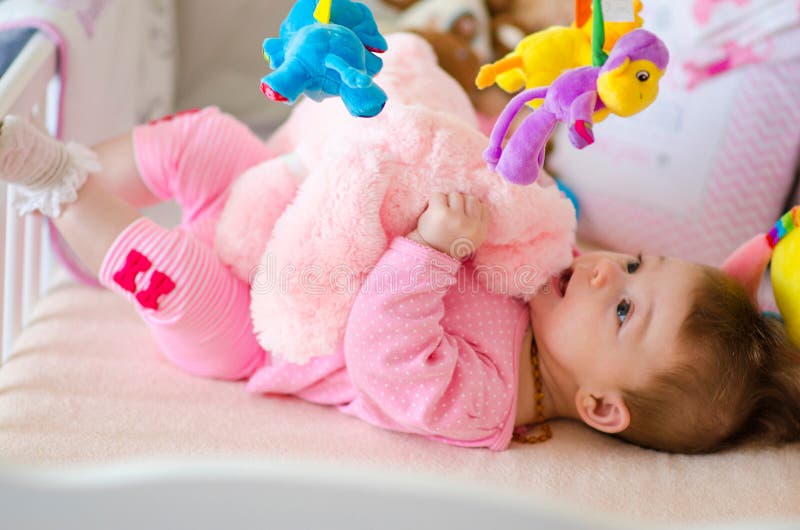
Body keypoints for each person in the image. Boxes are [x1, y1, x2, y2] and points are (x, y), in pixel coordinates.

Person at [2, 108, 798, 453]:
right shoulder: (551, 285)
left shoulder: (490, 405)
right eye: (630, 263)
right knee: (204, 139)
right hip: (289, 232)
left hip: (255, 332)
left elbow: (381, 352)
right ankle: (81, 175)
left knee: (170, 272)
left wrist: (433, 248)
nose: (601, 272)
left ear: (599, 404)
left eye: (624, 306)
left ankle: (47, 181)